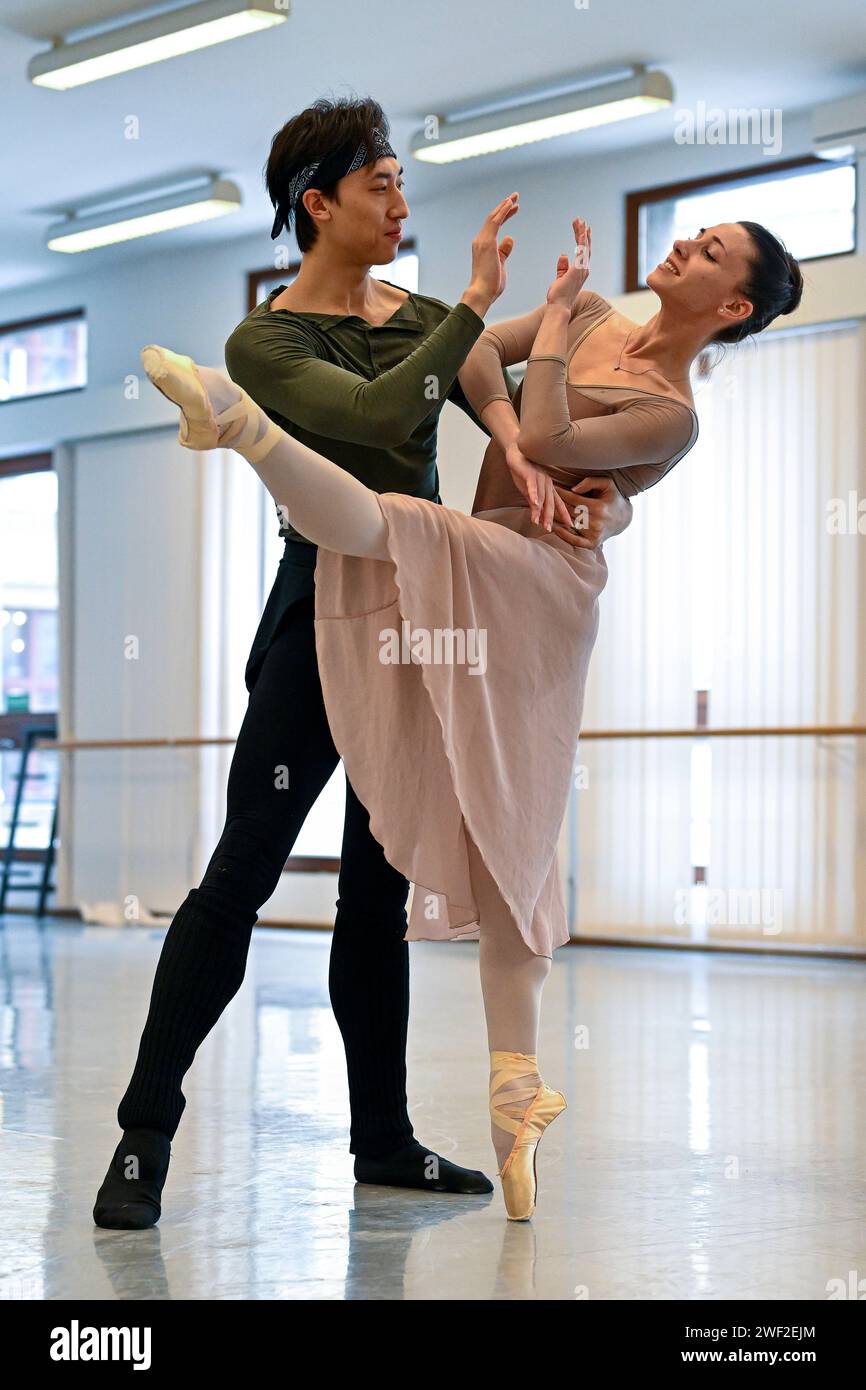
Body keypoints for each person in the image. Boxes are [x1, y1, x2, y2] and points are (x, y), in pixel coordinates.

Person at [132, 209, 804, 1217]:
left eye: (708, 253)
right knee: (395, 558)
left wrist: (559, 323)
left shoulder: (669, 407)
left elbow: (546, 429)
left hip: (536, 583)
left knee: (501, 804)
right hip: (473, 554)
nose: (682, 246)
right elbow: (479, 354)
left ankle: (242, 429)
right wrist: (521, 394)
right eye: (691, 234)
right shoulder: (597, 319)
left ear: (732, 304)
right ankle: (513, 1104)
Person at [92, 96, 632, 1230]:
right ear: (316, 203)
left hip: (425, 604)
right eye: (377, 182)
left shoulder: (427, 312)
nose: (399, 199)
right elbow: (391, 406)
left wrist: (560, 429)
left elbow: (512, 380)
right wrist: (479, 309)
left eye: (401, 180)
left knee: (375, 895)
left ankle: (380, 1141)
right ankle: (144, 1133)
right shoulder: (267, 340)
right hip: (317, 617)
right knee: (240, 872)